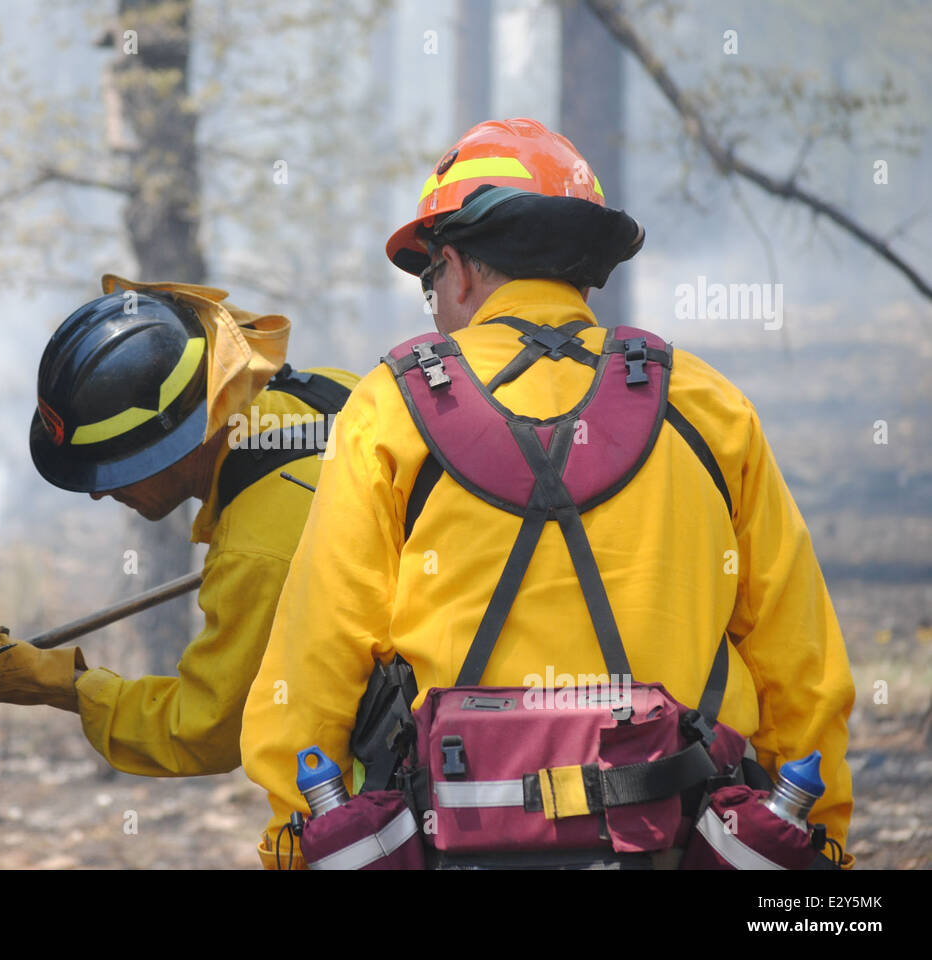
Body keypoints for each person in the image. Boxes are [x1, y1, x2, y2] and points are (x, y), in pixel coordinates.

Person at [239, 118, 854, 868]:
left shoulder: (389, 408)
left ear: (457, 268)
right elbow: (804, 675)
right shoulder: (707, 405)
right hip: (684, 841)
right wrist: (820, 855)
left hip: (459, 845)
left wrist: (294, 848)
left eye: (429, 279)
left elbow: (310, 670)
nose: (434, 304)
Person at [0, 274, 358, 777]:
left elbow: (202, 733)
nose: (99, 492)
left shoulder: (255, 555)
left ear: (179, 442)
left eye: (116, 468)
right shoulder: (325, 390)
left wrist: (60, 682)